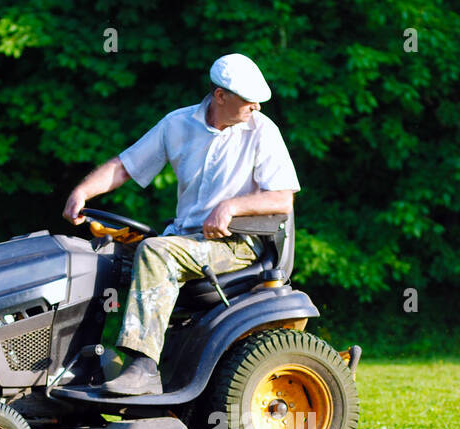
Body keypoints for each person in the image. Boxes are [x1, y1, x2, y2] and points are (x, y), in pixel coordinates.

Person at [62, 53, 301, 396]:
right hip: (184, 241)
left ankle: (142, 367)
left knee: (155, 253)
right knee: (93, 258)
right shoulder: (176, 124)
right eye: (248, 102)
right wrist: (83, 191)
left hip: (236, 246)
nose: (256, 109)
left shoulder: (263, 132)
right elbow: (125, 166)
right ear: (220, 96)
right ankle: (78, 365)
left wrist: (230, 206)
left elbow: (282, 199)